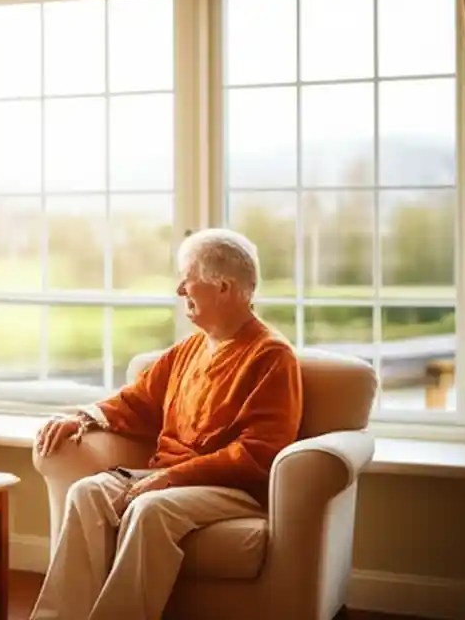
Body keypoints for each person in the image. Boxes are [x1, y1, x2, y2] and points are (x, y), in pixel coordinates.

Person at [30, 228, 303, 620]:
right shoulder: (189, 348)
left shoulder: (272, 357)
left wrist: (171, 478)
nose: (179, 290)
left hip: (230, 489)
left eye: (187, 278)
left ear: (222, 287)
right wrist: (82, 416)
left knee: (151, 509)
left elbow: (258, 453)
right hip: (168, 476)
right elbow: (139, 401)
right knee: (87, 492)